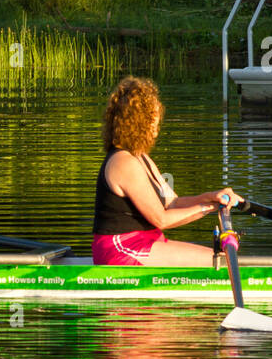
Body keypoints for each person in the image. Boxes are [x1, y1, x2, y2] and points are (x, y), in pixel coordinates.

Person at [92, 76, 242, 265]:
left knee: (221, 259)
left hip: (148, 240)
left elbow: (172, 203)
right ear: (137, 121)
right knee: (222, 262)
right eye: (152, 119)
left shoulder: (141, 157)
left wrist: (212, 196)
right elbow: (161, 219)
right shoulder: (123, 163)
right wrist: (210, 208)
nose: (157, 125)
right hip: (120, 248)